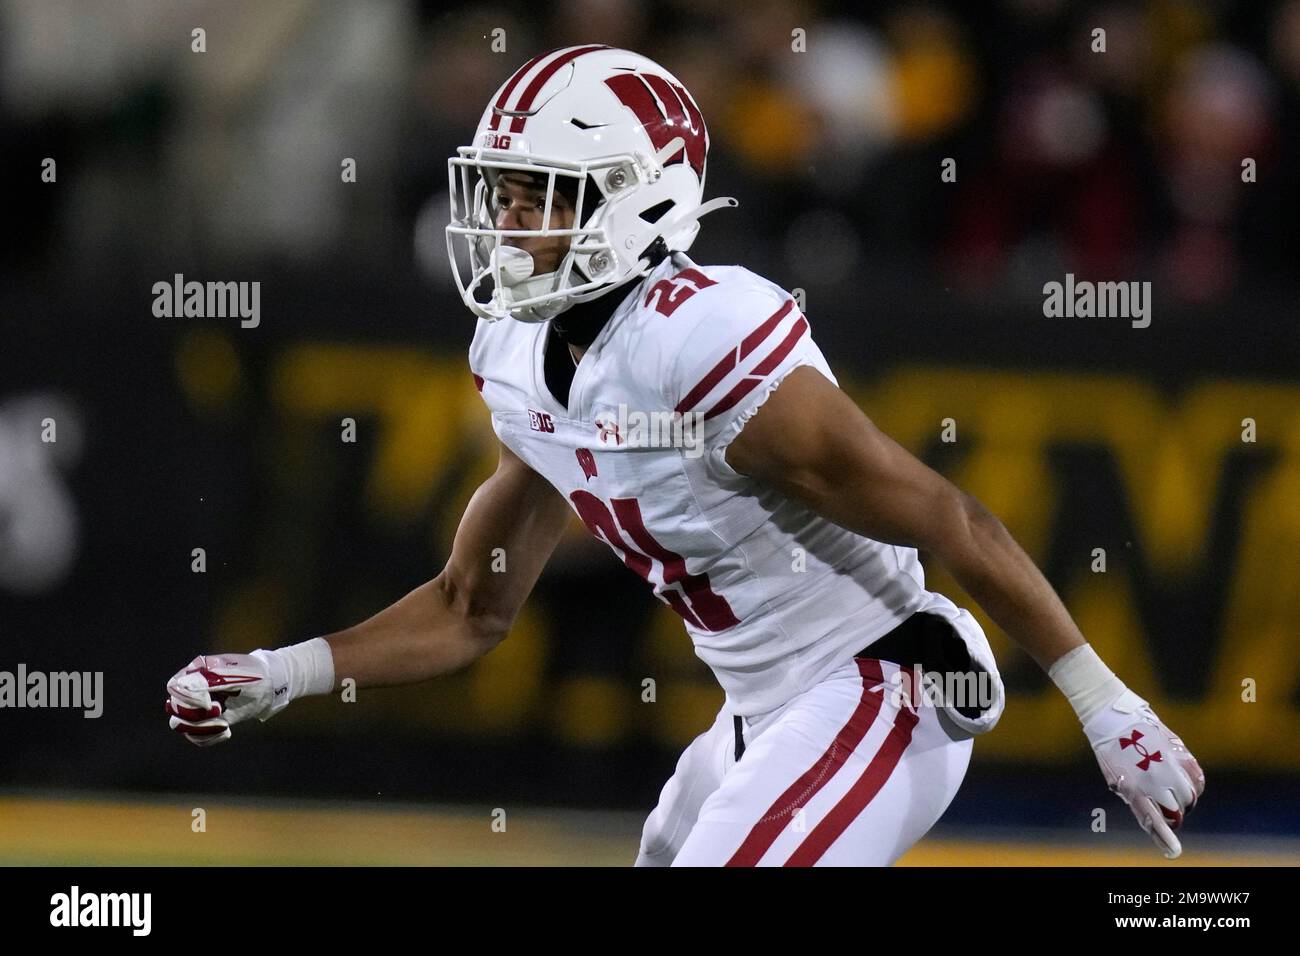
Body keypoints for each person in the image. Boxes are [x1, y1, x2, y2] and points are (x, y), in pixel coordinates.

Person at [165, 46, 1204, 866]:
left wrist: (1105, 703)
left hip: (879, 684)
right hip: (762, 710)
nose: (506, 219)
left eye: (540, 193)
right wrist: (284, 672)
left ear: (637, 198)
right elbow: (468, 608)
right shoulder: (522, 349)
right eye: (504, 190)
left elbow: (949, 517)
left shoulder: (699, 338)